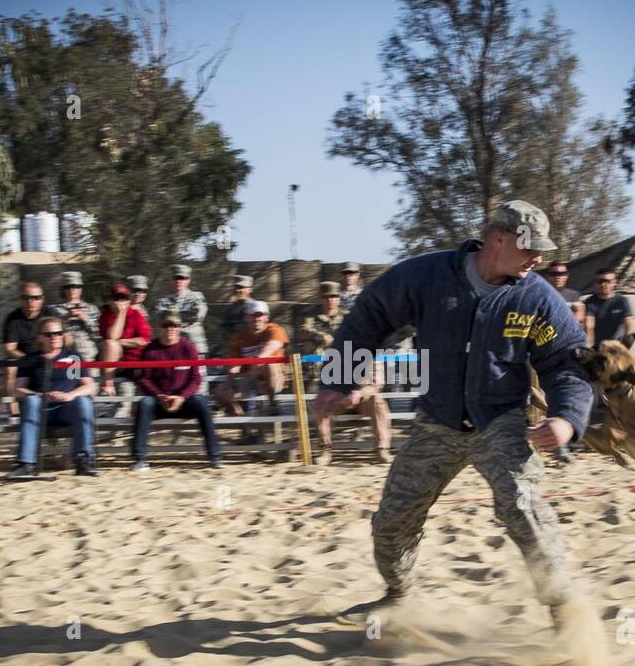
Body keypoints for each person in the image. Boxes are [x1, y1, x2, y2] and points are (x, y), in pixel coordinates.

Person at [313, 199, 593, 628]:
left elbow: (566, 361)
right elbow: (368, 317)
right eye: (531, 247)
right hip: (435, 422)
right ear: (498, 239)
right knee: (391, 522)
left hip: (501, 420)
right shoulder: (427, 276)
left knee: (522, 504)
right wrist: (338, 379)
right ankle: (399, 594)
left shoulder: (537, 297)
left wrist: (566, 418)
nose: (540, 258)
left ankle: (564, 609)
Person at [298, 281, 392, 465]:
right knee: (323, 402)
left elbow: (377, 382)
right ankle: (326, 449)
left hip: (363, 396)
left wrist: (359, 393)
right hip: (339, 393)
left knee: (378, 401)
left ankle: (382, 448)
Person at [7, 317, 98, 479]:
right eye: (49, 334)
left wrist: (70, 395)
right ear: (40, 337)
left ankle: (83, 460)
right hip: (39, 409)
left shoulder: (71, 358)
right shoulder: (30, 359)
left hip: (65, 408)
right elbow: (18, 389)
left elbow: (89, 386)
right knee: (32, 401)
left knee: (83, 401)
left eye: (58, 333)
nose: (54, 337)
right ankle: (26, 463)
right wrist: (40, 396)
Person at [131, 309, 221, 472]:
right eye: (166, 325)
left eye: (174, 325)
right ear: (159, 327)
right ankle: (140, 459)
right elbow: (144, 379)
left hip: (184, 401)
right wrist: (159, 395)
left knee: (201, 402)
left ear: (179, 327)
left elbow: (195, 378)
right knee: (144, 404)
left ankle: (215, 457)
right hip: (159, 401)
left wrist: (181, 397)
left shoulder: (188, 348)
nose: (170, 329)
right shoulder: (150, 351)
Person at [213, 301, 290, 423]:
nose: (257, 318)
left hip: (272, 379)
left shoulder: (275, 329)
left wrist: (256, 361)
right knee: (221, 391)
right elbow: (234, 363)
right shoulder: (238, 337)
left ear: (266, 317)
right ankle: (243, 425)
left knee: (269, 363)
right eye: (252, 315)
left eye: (260, 315)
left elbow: (273, 345)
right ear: (246, 317)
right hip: (248, 379)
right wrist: (231, 381)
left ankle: (272, 403)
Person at [97, 283, 152, 408]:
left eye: (124, 298)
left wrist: (120, 342)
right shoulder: (105, 315)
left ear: (128, 301)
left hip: (133, 361)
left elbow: (143, 340)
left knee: (129, 403)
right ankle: (108, 386)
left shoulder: (136, 315)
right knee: (110, 344)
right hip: (112, 361)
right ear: (110, 300)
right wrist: (121, 314)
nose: (120, 301)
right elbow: (111, 337)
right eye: (117, 298)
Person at [1, 282, 45, 419]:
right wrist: (27, 359)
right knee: (10, 368)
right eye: (26, 297)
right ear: (21, 299)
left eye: (35, 297)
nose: (31, 301)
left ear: (42, 299)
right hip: (23, 358)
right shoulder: (13, 319)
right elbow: (10, 348)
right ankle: (14, 411)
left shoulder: (50, 314)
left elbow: (64, 339)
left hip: (47, 355)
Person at [155, 264, 209, 357]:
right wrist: (185, 317)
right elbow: (159, 318)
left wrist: (171, 317)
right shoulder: (163, 300)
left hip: (194, 344)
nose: (178, 281)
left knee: (197, 371)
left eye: (182, 278)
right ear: (171, 280)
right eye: (176, 278)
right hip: (170, 346)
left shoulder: (197, 297)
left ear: (188, 280)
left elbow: (198, 316)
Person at [48, 271, 101, 361]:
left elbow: (98, 329)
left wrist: (86, 319)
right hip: (63, 352)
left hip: (87, 351)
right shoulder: (54, 309)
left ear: (80, 289)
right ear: (63, 289)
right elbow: (49, 329)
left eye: (75, 287)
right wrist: (66, 317)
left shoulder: (92, 309)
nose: (72, 290)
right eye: (68, 287)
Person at [583, 268, 635, 348]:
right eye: (600, 281)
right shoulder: (590, 302)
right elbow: (589, 326)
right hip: (597, 348)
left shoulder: (622, 301)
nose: (603, 284)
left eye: (607, 281)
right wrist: (590, 348)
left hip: (617, 347)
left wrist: (626, 347)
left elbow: (629, 326)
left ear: (614, 282)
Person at [219, 275, 256, 347]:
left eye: (242, 288)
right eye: (237, 288)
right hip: (233, 346)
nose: (238, 290)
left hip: (251, 345)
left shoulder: (255, 306)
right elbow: (223, 328)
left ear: (250, 289)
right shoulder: (231, 308)